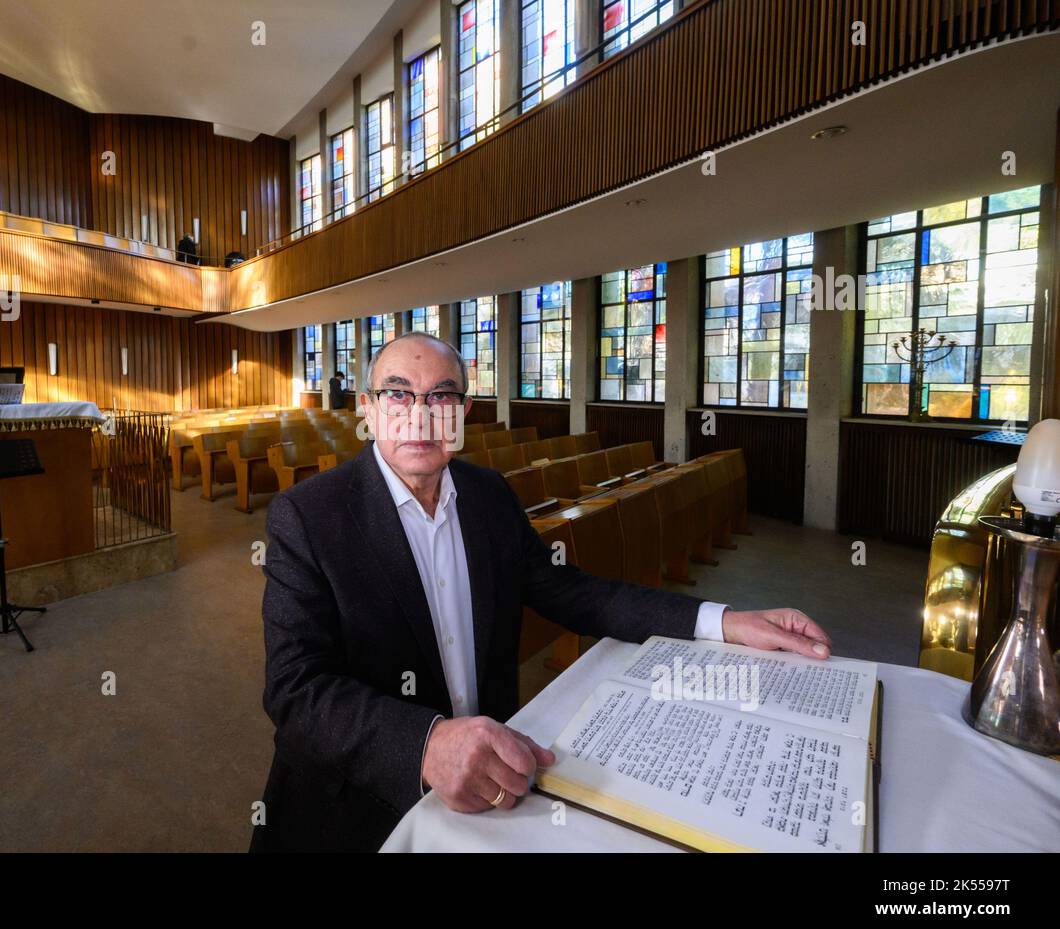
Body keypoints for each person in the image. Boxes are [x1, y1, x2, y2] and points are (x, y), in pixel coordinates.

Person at [251, 331, 832, 852]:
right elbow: (296, 689)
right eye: (399, 394)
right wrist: (425, 744)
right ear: (369, 410)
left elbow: (578, 595)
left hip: (490, 798)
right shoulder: (308, 516)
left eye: (442, 396)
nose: (420, 417)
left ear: (465, 411)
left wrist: (723, 622)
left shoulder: (488, 497)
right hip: (354, 811)